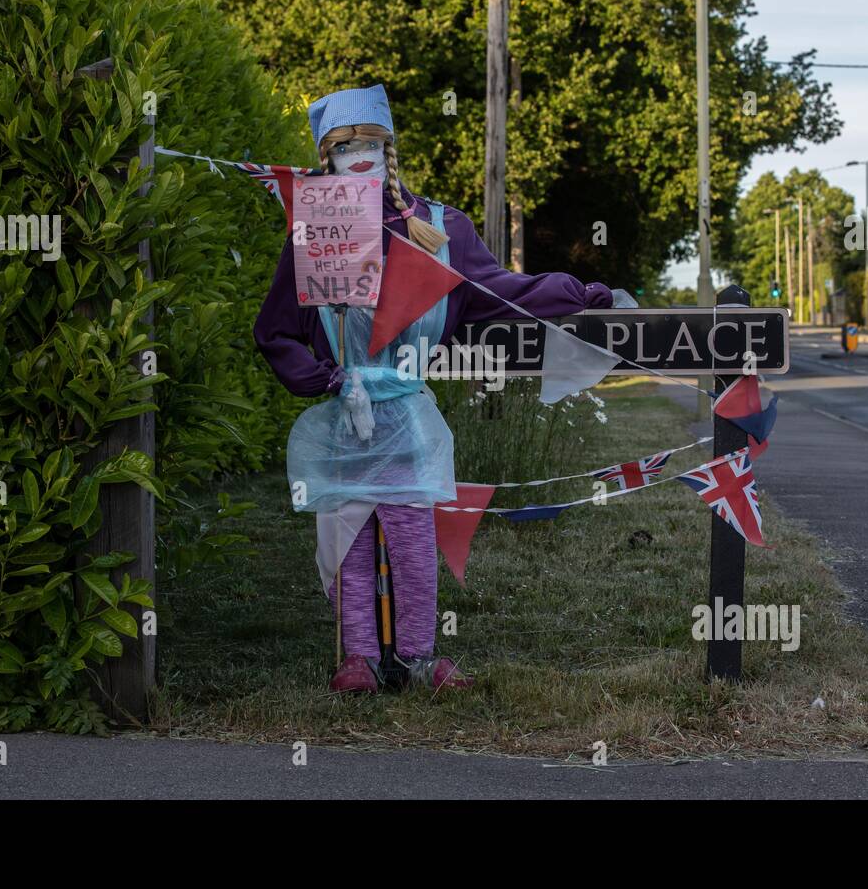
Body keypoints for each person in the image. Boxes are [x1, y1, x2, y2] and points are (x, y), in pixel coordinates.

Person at [254, 84, 612, 693]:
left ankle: (419, 656)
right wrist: (328, 377)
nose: (358, 155)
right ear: (325, 158)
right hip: (346, 411)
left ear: (389, 147)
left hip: (407, 414)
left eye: (369, 142)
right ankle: (359, 657)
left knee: (414, 533)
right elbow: (275, 330)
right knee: (348, 533)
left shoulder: (440, 228)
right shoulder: (315, 233)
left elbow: (503, 293)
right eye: (343, 147)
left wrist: (576, 295)